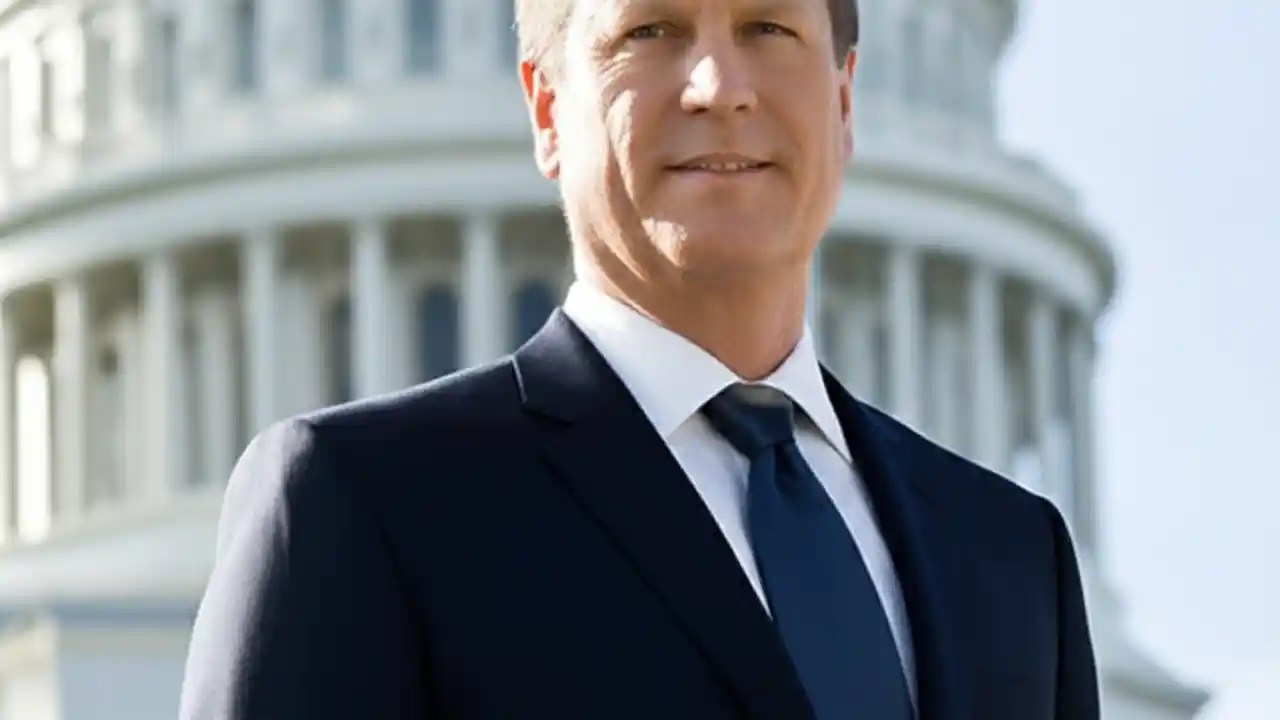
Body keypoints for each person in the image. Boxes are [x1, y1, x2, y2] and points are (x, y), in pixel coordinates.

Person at [178, 0, 1100, 718]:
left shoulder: (1012, 561)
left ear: (845, 101)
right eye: (650, 29)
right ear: (547, 109)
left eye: (768, 26)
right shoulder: (367, 506)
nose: (718, 86)